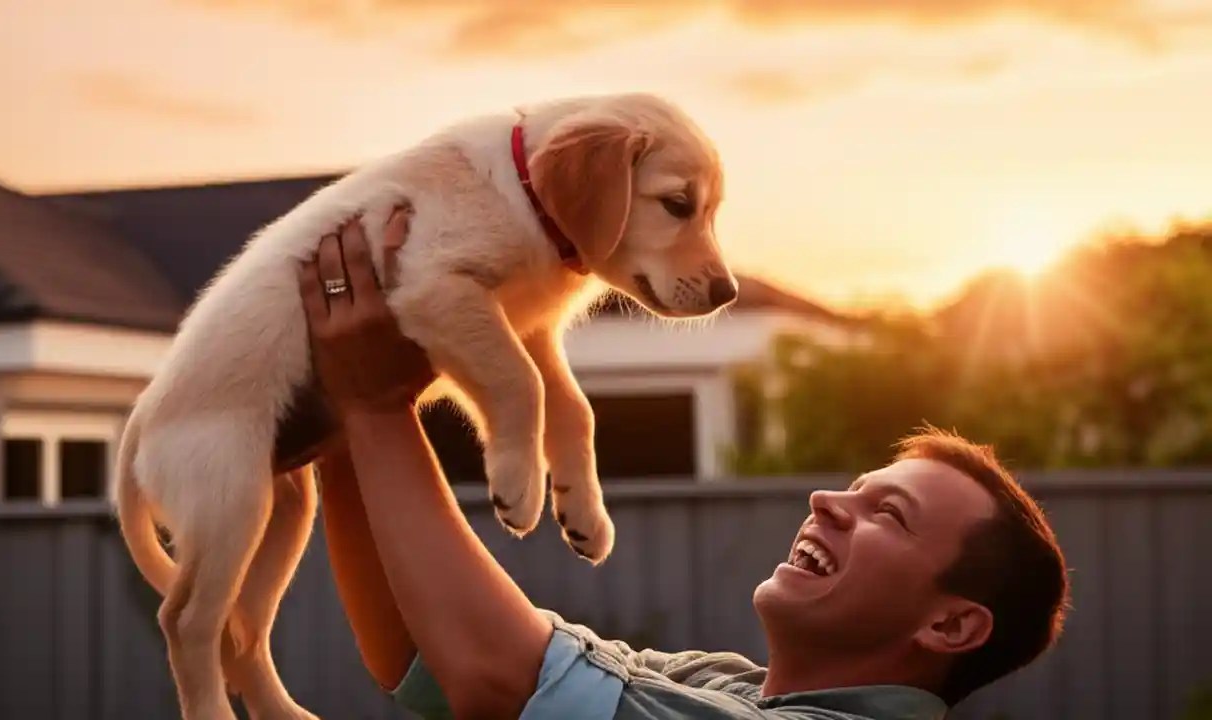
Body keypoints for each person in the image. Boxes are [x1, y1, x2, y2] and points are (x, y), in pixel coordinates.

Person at [296, 212, 1071, 720]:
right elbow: (430, 656)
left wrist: (373, 404)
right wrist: (340, 425)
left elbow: (498, 679)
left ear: (951, 624)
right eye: (859, 489)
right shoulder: (718, 684)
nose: (829, 501)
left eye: (888, 516)